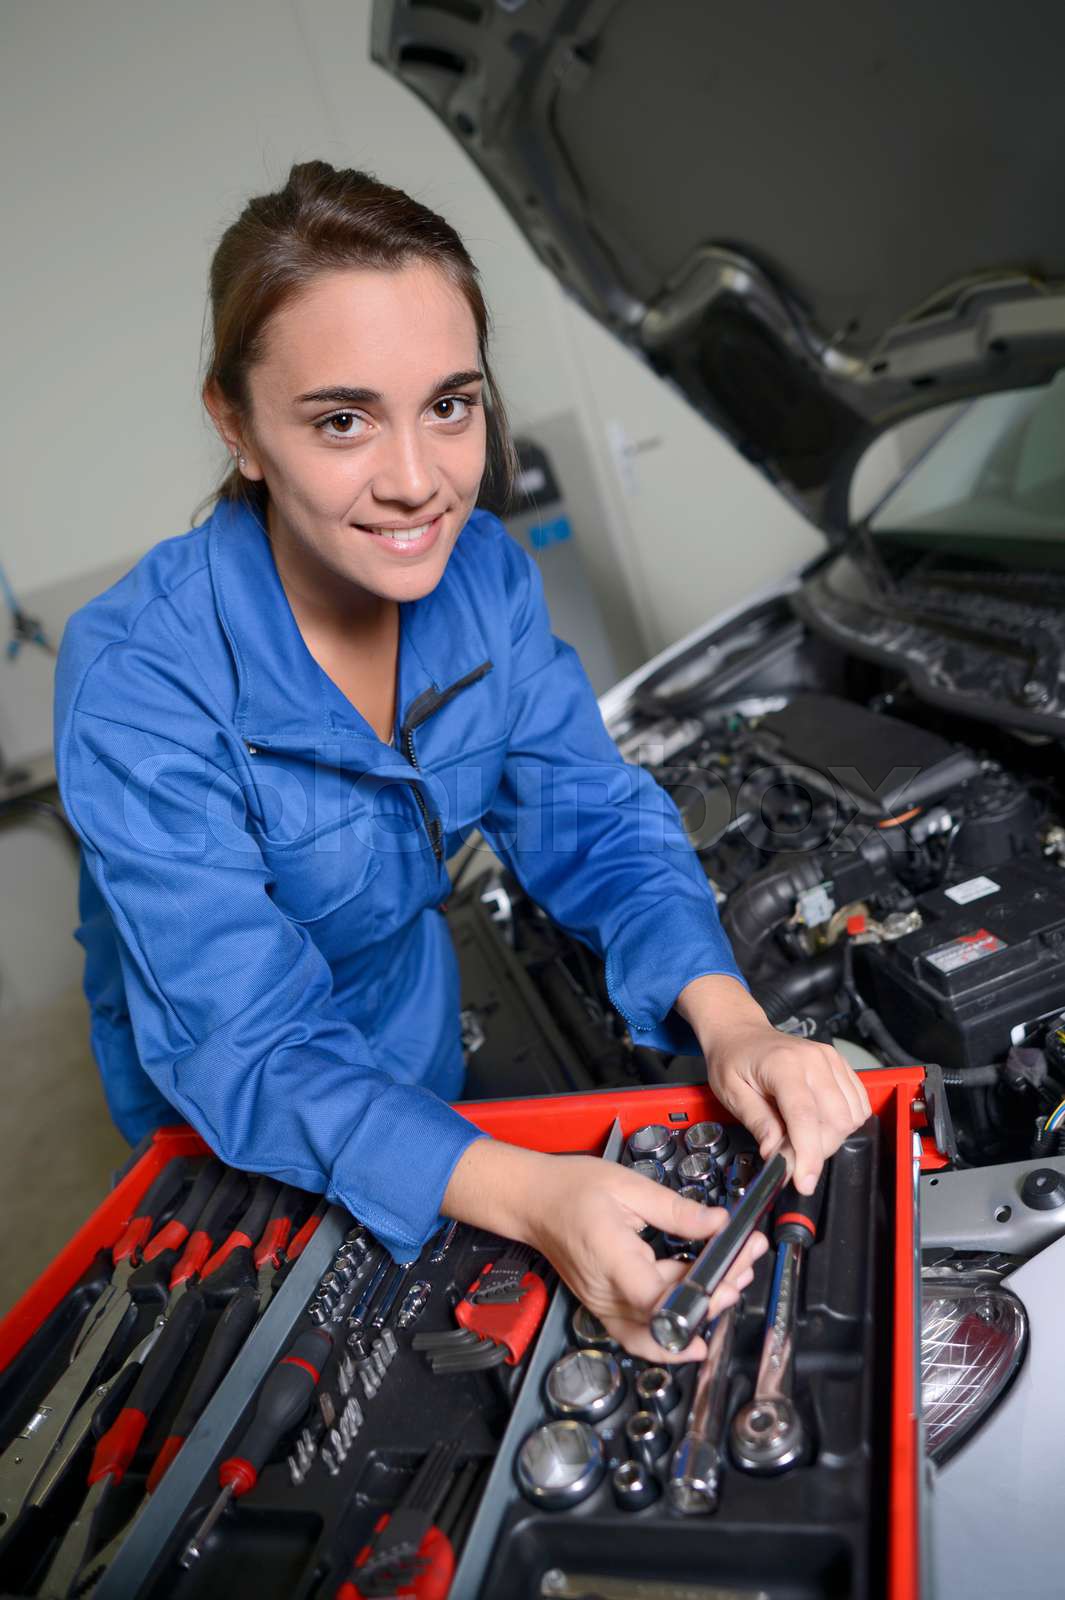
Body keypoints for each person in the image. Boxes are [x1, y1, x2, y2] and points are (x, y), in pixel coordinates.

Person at [54, 162, 870, 1360]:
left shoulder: (481, 574)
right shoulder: (139, 677)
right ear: (236, 426)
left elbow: (593, 819)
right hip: (235, 1110)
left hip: (415, 1029)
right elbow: (249, 1040)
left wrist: (733, 1020)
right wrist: (535, 1193)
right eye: (343, 419)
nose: (419, 479)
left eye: (451, 404)